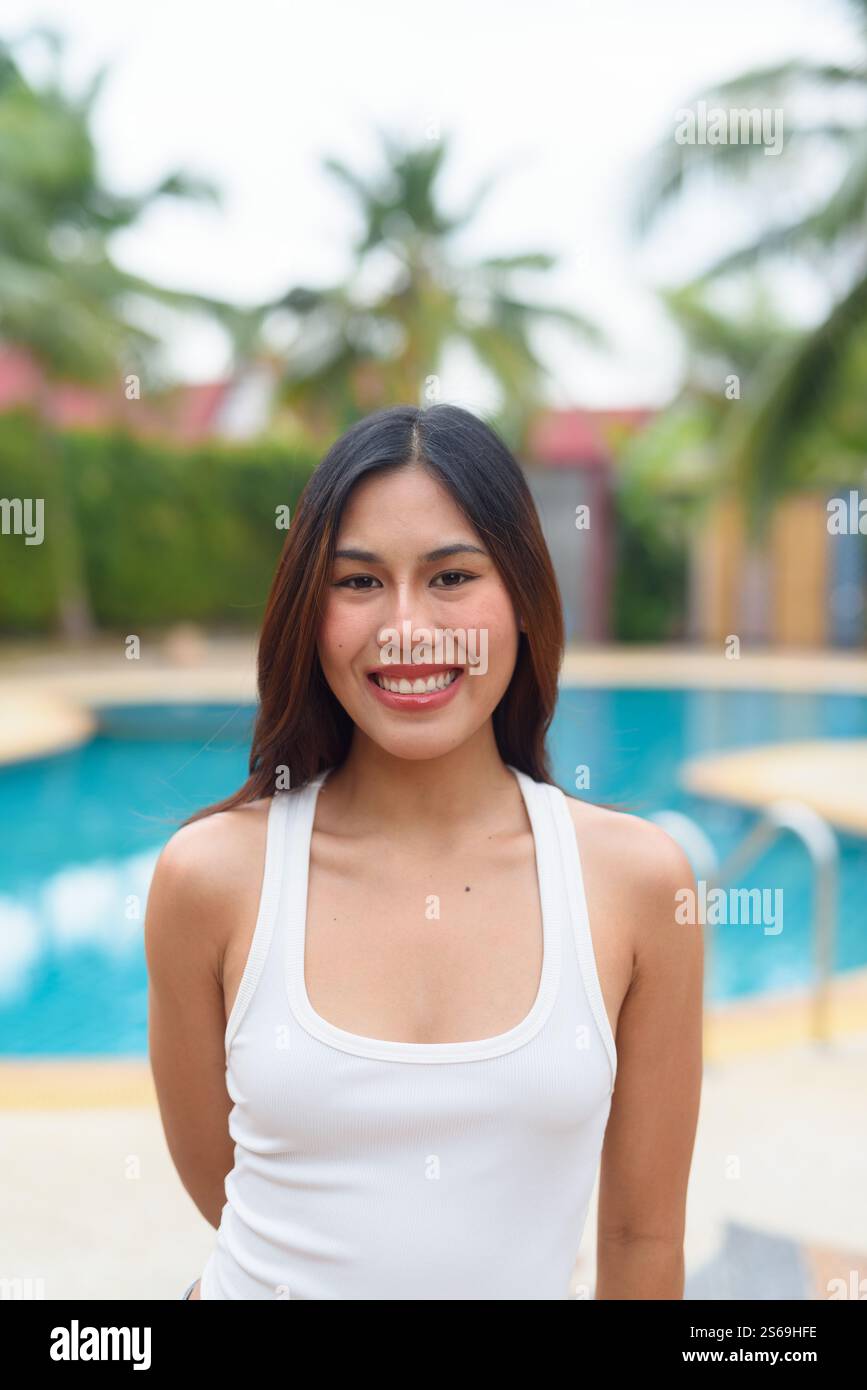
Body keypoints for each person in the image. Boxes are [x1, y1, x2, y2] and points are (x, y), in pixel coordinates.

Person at [145, 402, 703, 1301]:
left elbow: (642, 1240)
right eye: (358, 583)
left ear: (522, 596)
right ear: (309, 612)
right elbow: (230, 1190)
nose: (406, 628)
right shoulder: (209, 878)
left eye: (450, 576)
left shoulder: (637, 885)